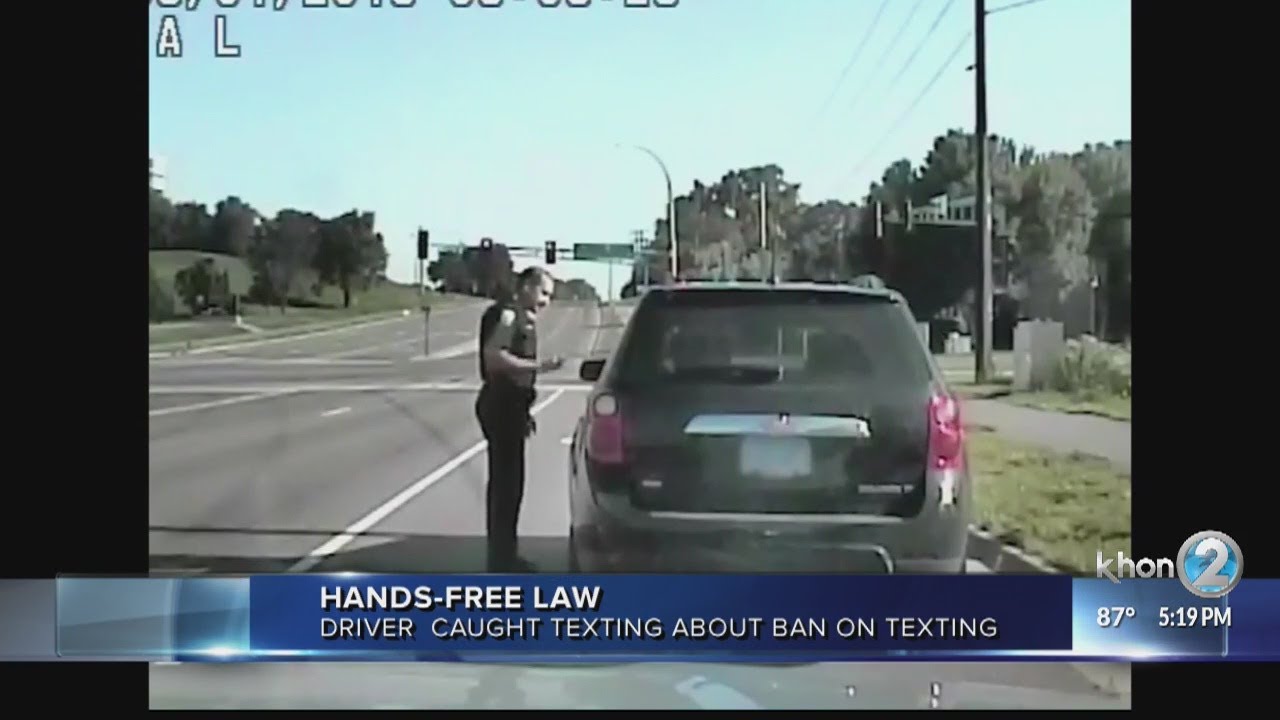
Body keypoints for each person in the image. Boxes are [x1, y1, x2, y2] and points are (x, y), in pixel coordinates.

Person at [476, 266, 563, 572]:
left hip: (510, 407)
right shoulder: (510, 315)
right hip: (500, 404)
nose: (546, 302)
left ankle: (504, 555)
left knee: (510, 486)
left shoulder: (520, 316)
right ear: (526, 286)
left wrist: (524, 412)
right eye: (543, 293)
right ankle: (502, 562)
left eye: (549, 296)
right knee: (505, 487)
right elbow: (494, 356)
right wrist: (539, 366)